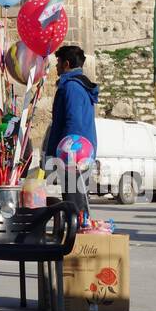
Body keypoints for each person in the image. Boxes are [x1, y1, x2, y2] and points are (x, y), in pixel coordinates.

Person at [42, 44, 99, 223]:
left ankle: (78, 235)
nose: (56, 67)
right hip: (80, 150)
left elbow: (73, 122)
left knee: (74, 199)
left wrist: (66, 152)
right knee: (76, 195)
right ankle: (78, 231)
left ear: (66, 64)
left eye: (58, 62)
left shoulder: (71, 88)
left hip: (74, 152)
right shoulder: (79, 86)